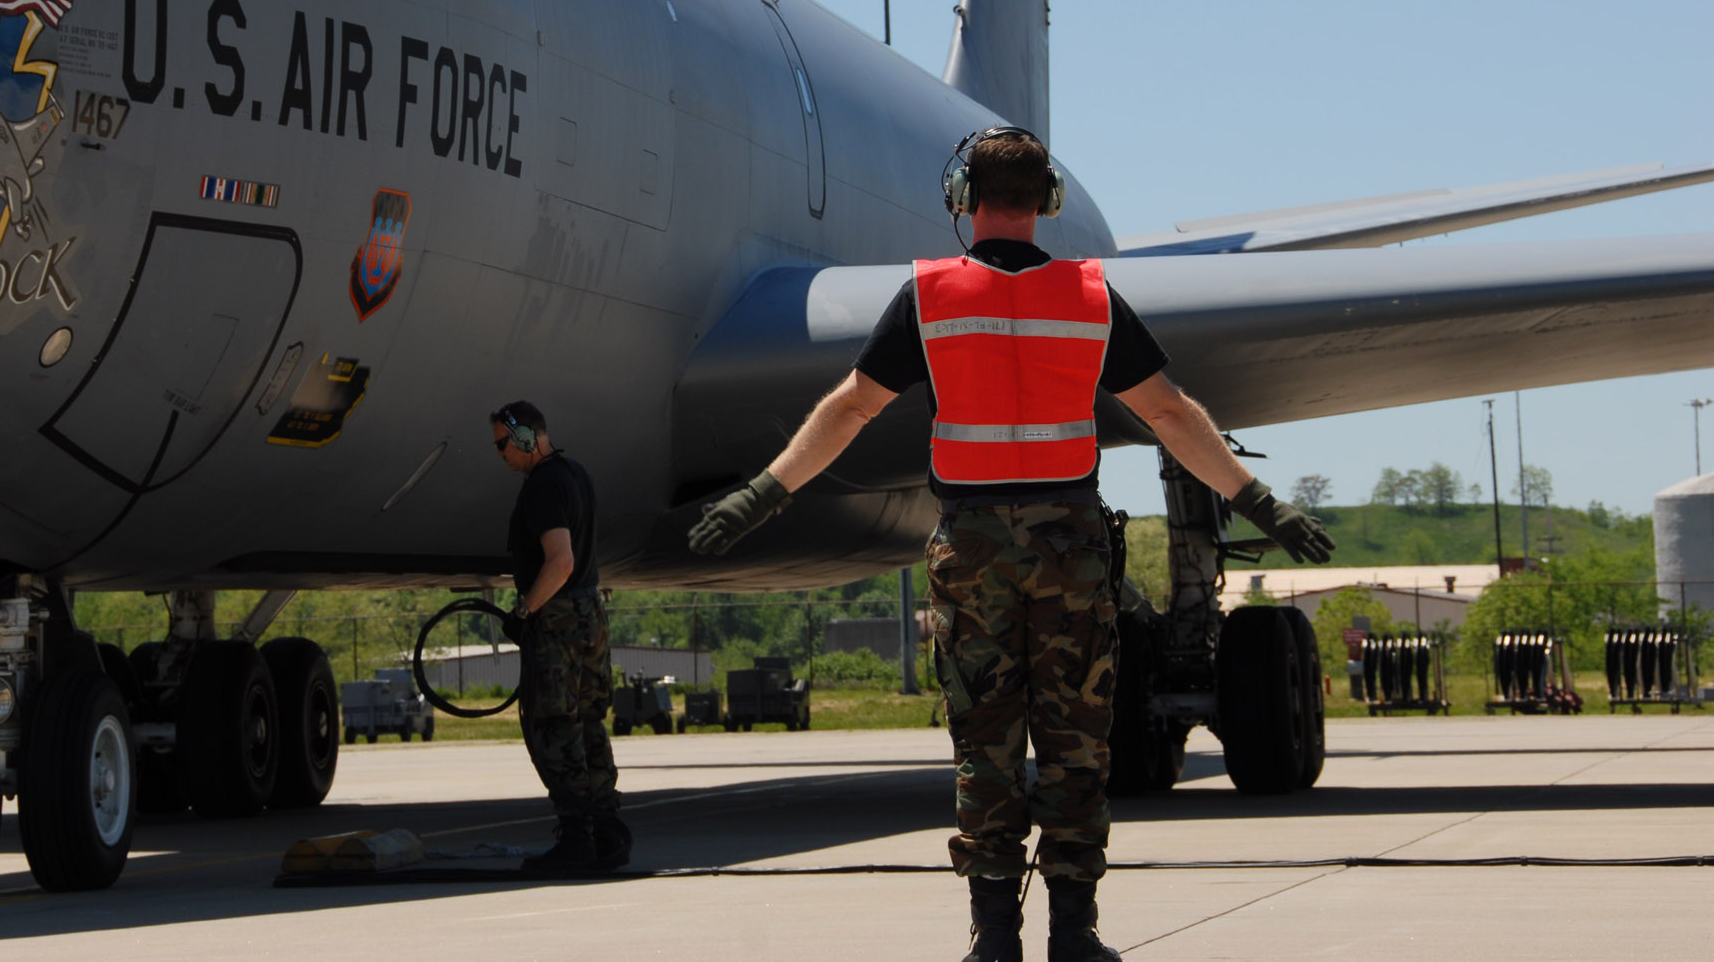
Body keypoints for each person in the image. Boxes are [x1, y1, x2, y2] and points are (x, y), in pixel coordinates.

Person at [687, 127, 1334, 962]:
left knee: (984, 742)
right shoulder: (1092, 296)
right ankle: (1076, 933)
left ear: (964, 198)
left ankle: (994, 938)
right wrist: (1261, 503)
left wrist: (762, 493)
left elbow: (850, 407)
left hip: (974, 550)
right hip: (1071, 550)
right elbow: (1170, 412)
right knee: (1076, 741)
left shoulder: (930, 296)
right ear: (1048, 201)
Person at [493, 400, 628, 873]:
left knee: (555, 724)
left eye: (504, 443)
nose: (501, 454)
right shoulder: (575, 474)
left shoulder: (544, 487)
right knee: (590, 719)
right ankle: (606, 829)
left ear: (528, 437)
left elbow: (561, 560)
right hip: (590, 611)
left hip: (560, 617)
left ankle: (576, 836)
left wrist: (526, 609)